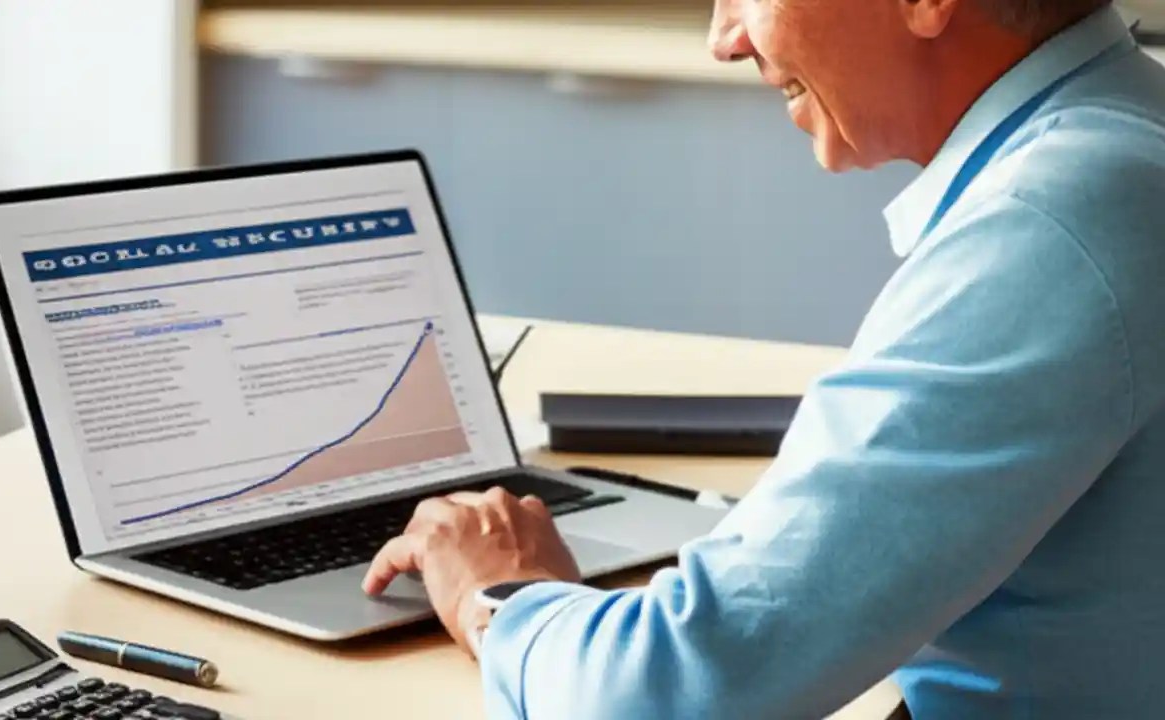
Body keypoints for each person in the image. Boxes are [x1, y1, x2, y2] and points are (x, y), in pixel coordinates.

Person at [363, 0, 1165, 717]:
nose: (724, 36)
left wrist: (498, 596)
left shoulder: (1047, 232)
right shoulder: (1128, 132)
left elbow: (667, 692)